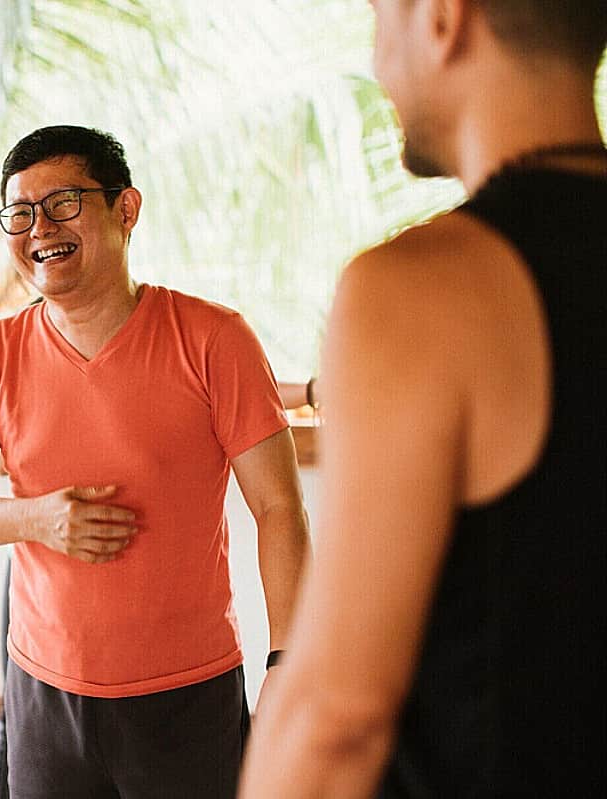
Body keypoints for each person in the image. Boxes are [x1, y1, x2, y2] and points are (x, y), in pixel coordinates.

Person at [238, 2, 607, 796]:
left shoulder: (424, 286)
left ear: (444, 19)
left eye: (379, 17)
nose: (376, 61)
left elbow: (336, 719)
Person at [0, 125, 311, 798]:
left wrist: (289, 659)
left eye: (62, 202)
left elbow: (280, 508)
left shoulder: (214, 338)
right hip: (43, 691)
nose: (39, 227)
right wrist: (34, 518)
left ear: (125, 209)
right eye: (20, 211)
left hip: (188, 694)